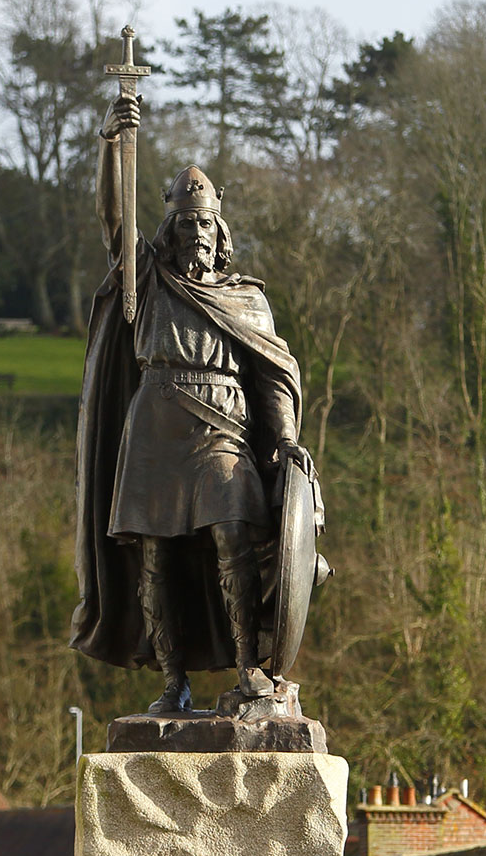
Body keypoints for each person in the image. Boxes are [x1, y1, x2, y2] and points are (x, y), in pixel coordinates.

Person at [71, 93, 312, 715]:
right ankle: (172, 681)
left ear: (220, 230)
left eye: (204, 224)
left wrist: (284, 441)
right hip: (154, 423)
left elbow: (272, 380)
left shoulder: (246, 300)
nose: (195, 234)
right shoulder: (148, 279)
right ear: (171, 230)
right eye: (185, 224)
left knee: (234, 537)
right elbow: (114, 222)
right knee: (159, 558)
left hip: (222, 428)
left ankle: (248, 668)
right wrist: (112, 147)